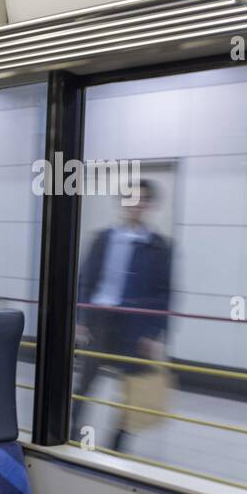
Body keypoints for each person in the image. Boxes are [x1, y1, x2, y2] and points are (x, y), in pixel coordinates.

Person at [71, 179, 173, 452]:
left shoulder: (159, 246)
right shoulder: (103, 239)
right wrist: (80, 318)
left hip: (135, 325)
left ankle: (118, 441)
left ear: (150, 206)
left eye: (141, 200)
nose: (135, 206)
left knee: (132, 388)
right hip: (100, 320)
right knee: (85, 382)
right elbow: (85, 281)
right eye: (130, 199)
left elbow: (165, 293)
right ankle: (71, 429)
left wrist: (154, 333)